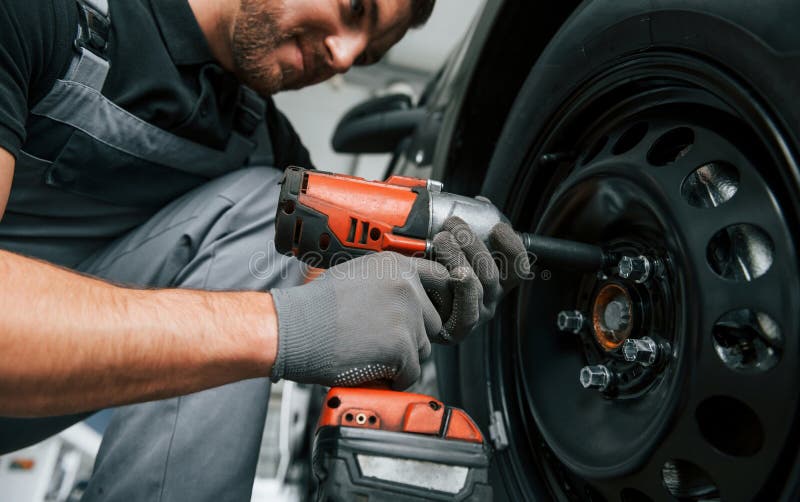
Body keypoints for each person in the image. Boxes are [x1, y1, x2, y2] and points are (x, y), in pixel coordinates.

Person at [0, 0, 528, 500]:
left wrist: (418, 295)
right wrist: (286, 327)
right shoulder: (36, 16)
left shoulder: (267, 144)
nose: (343, 57)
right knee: (266, 210)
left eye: (365, 55)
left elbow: (354, 309)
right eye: (354, 8)